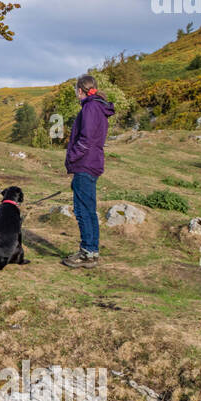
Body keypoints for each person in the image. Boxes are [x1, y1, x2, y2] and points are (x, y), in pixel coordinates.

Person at [61, 74, 114, 268]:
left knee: (83, 210)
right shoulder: (97, 106)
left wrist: (73, 157)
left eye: (76, 89)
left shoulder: (90, 108)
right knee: (88, 209)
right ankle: (90, 250)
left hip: (85, 163)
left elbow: (86, 139)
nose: (76, 93)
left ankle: (88, 252)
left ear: (80, 90)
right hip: (91, 163)